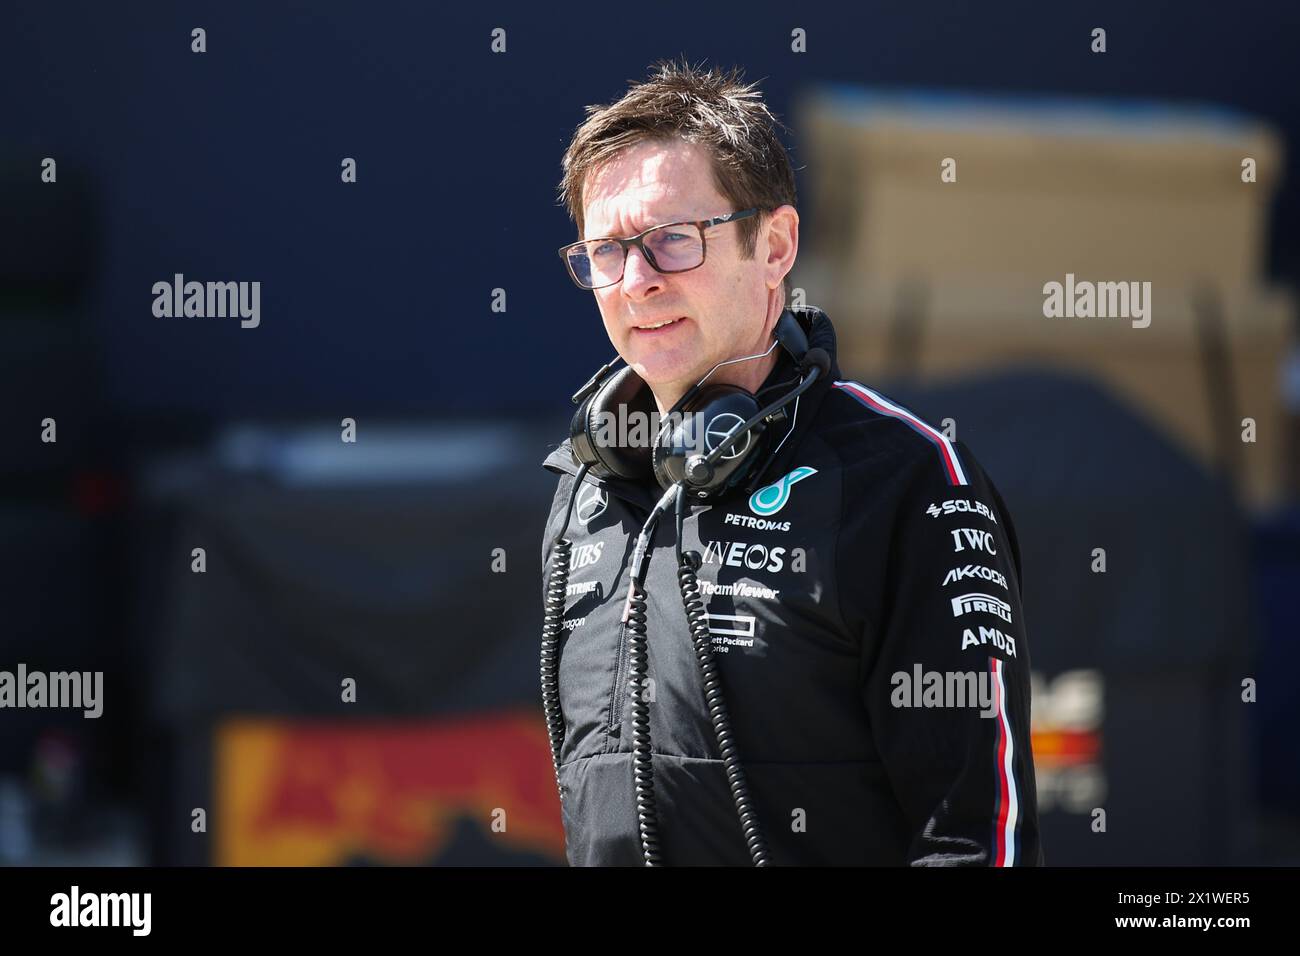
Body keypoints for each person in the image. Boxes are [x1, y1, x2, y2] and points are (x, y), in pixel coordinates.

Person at [540, 58, 1043, 866]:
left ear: (774, 245)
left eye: (672, 240)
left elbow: (974, 838)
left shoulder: (910, 481)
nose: (635, 283)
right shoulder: (587, 490)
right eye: (607, 252)